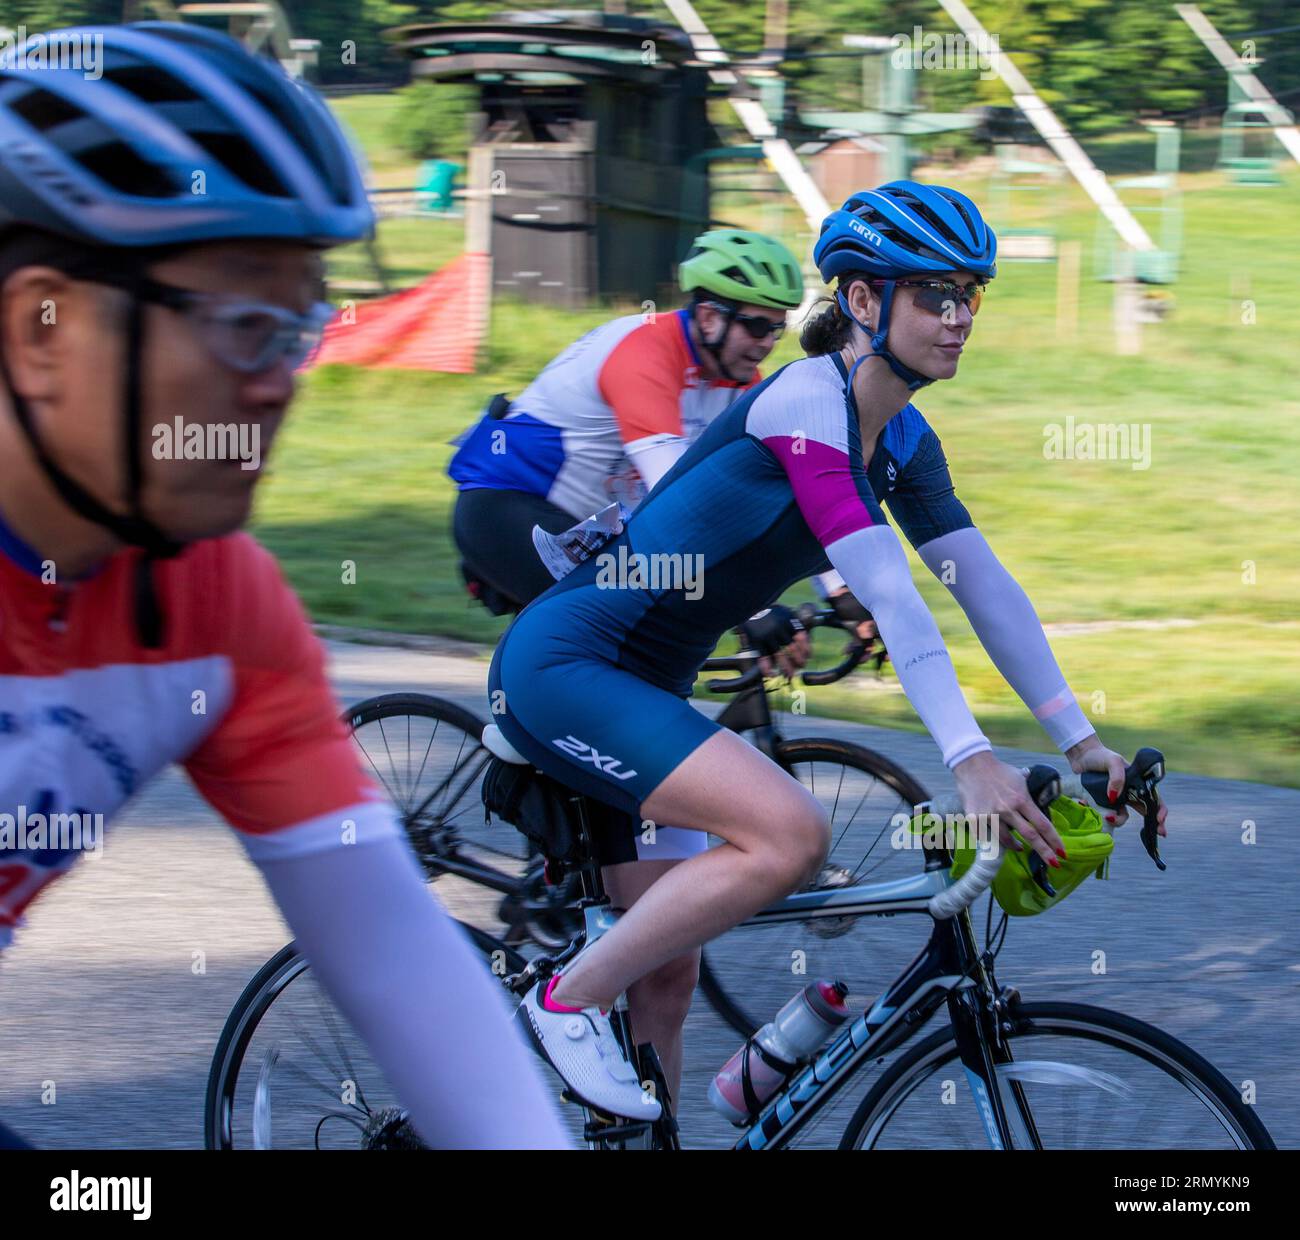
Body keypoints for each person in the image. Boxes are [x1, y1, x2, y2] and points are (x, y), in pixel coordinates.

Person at [487, 181, 1169, 1119]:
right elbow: (890, 591)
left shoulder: (904, 436)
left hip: (641, 687)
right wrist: (969, 758)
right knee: (791, 835)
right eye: (935, 293)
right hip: (568, 671)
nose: (961, 316)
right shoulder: (805, 405)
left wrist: (1081, 741)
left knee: (666, 980)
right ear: (860, 301)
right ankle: (557, 1001)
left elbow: (985, 589)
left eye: (972, 293)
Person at [0, 22, 567, 1150]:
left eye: (300, 326)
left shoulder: (216, 603)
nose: (279, 386)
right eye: (246, 325)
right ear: (41, 332)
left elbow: (395, 951)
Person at [448, 229, 804, 610]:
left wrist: (841, 591)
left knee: (674, 608)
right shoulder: (645, 351)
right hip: (511, 510)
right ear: (710, 317)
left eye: (777, 329)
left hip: (587, 530)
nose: (767, 344)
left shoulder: (739, 379)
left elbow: (785, 486)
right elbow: (678, 495)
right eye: (757, 326)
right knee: (642, 618)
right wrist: (755, 611)